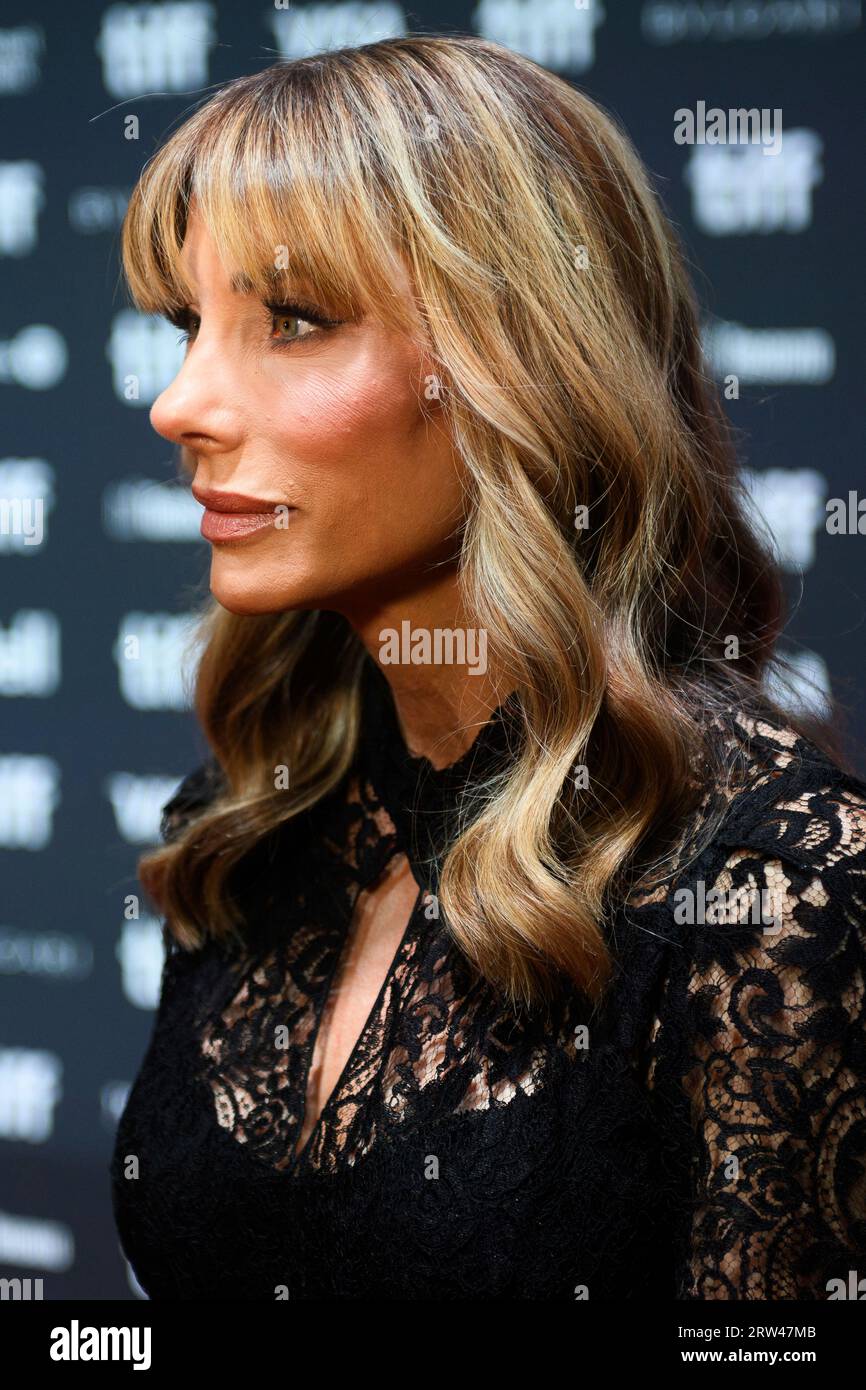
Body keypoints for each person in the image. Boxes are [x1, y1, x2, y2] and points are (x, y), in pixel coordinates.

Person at [110, 35, 866, 1300]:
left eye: (289, 321)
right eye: (193, 323)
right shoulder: (254, 827)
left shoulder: (777, 891)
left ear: (518, 362)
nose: (178, 402)